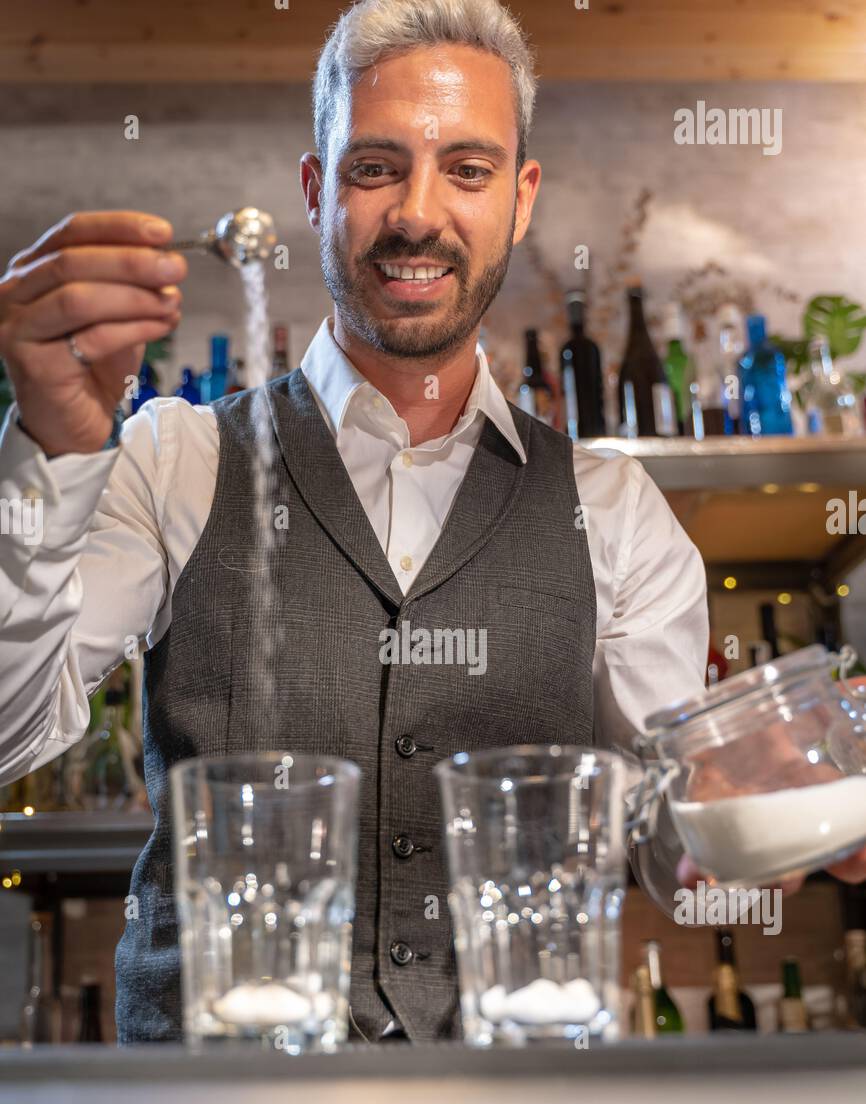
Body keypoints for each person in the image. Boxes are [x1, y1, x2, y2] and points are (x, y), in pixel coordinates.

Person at [0, 0, 860, 1043]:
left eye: (466, 167)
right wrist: (46, 452)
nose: (417, 212)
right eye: (373, 167)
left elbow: (660, 843)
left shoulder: (612, 511)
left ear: (519, 197)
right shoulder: (172, 458)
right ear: (314, 190)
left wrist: (770, 802)